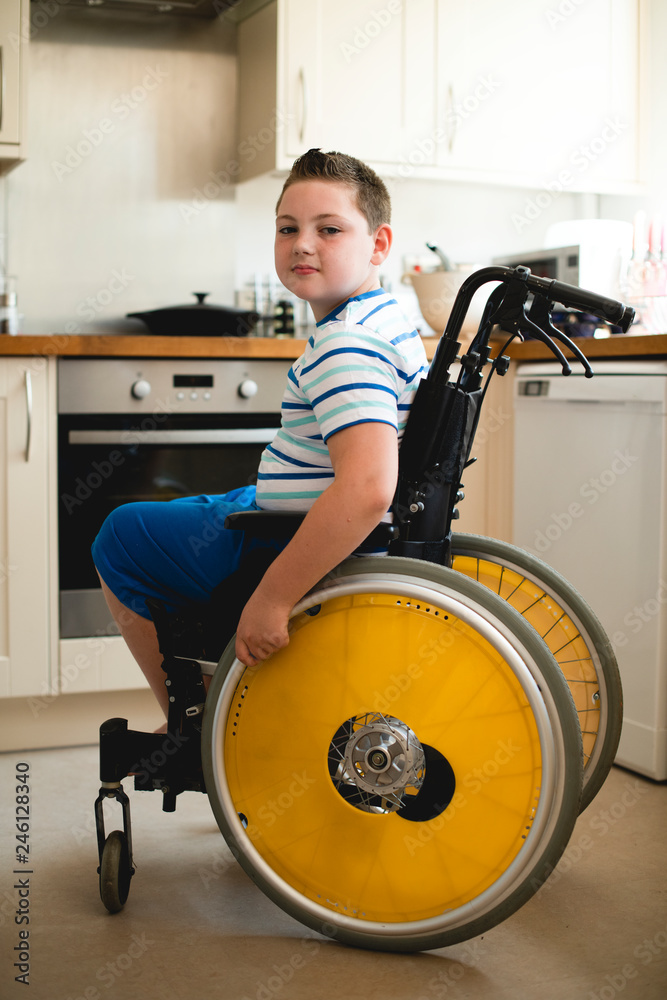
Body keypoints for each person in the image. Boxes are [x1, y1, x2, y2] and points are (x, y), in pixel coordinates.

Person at [92, 149, 428, 718]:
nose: (302, 244)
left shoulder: (346, 344)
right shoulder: (385, 317)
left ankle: (193, 725)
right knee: (212, 501)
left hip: (289, 539)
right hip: (283, 512)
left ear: (378, 244)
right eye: (287, 228)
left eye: (329, 229)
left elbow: (369, 487)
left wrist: (272, 599)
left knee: (121, 536)